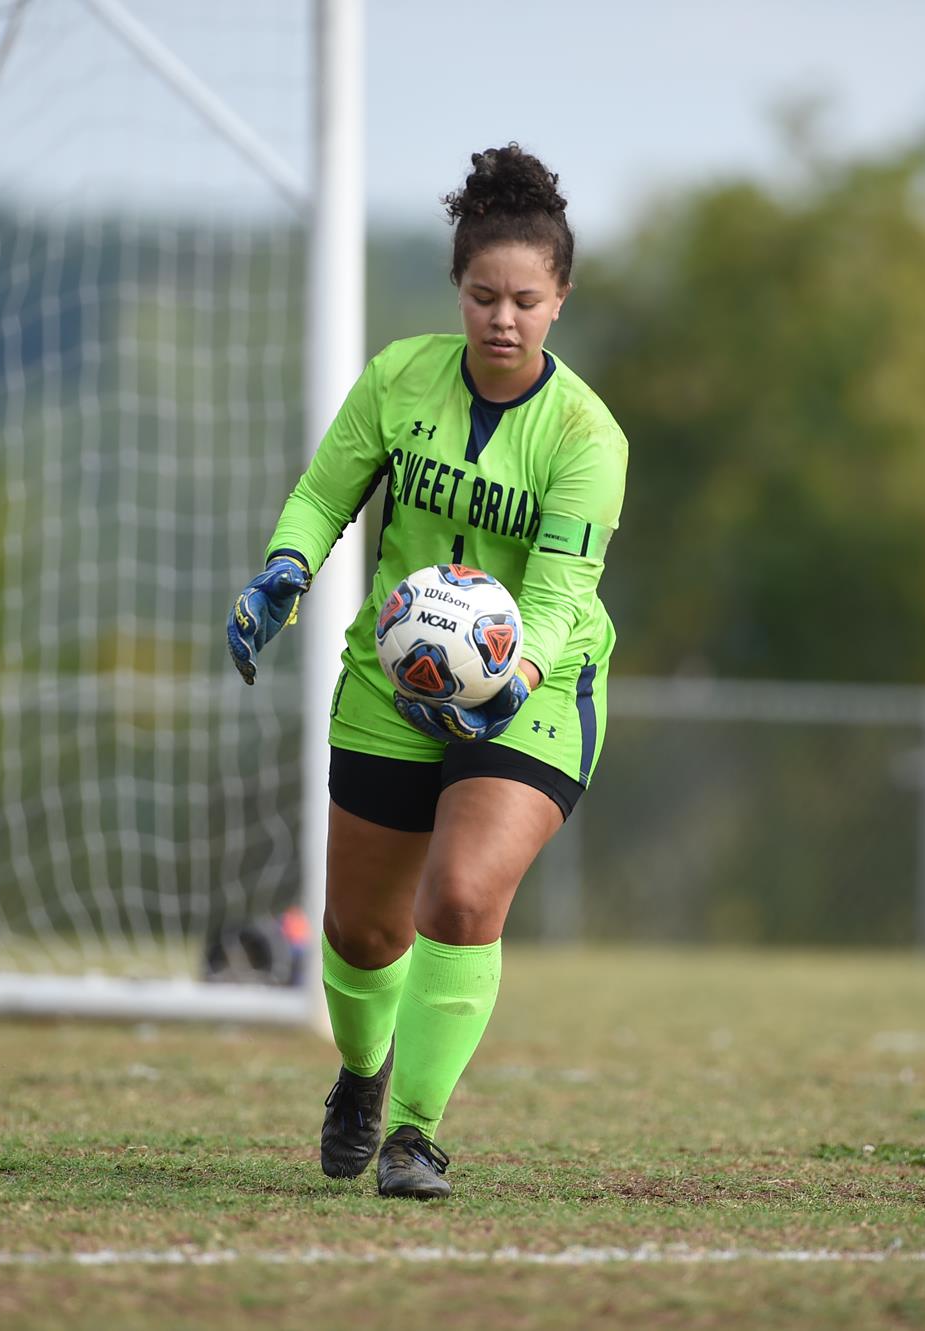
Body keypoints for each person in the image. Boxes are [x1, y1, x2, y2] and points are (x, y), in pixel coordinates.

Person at [225, 144, 627, 1199]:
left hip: (535, 695)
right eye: (484, 295)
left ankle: (414, 1134)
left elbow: (554, 593)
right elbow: (324, 494)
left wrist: (514, 679)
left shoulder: (587, 435)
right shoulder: (398, 377)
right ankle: (363, 1074)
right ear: (457, 290)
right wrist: (283, 566)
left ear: (559, 301)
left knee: (459, 894)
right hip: (389, 685)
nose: (503, 317)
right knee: (362, 929)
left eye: (525, 300)